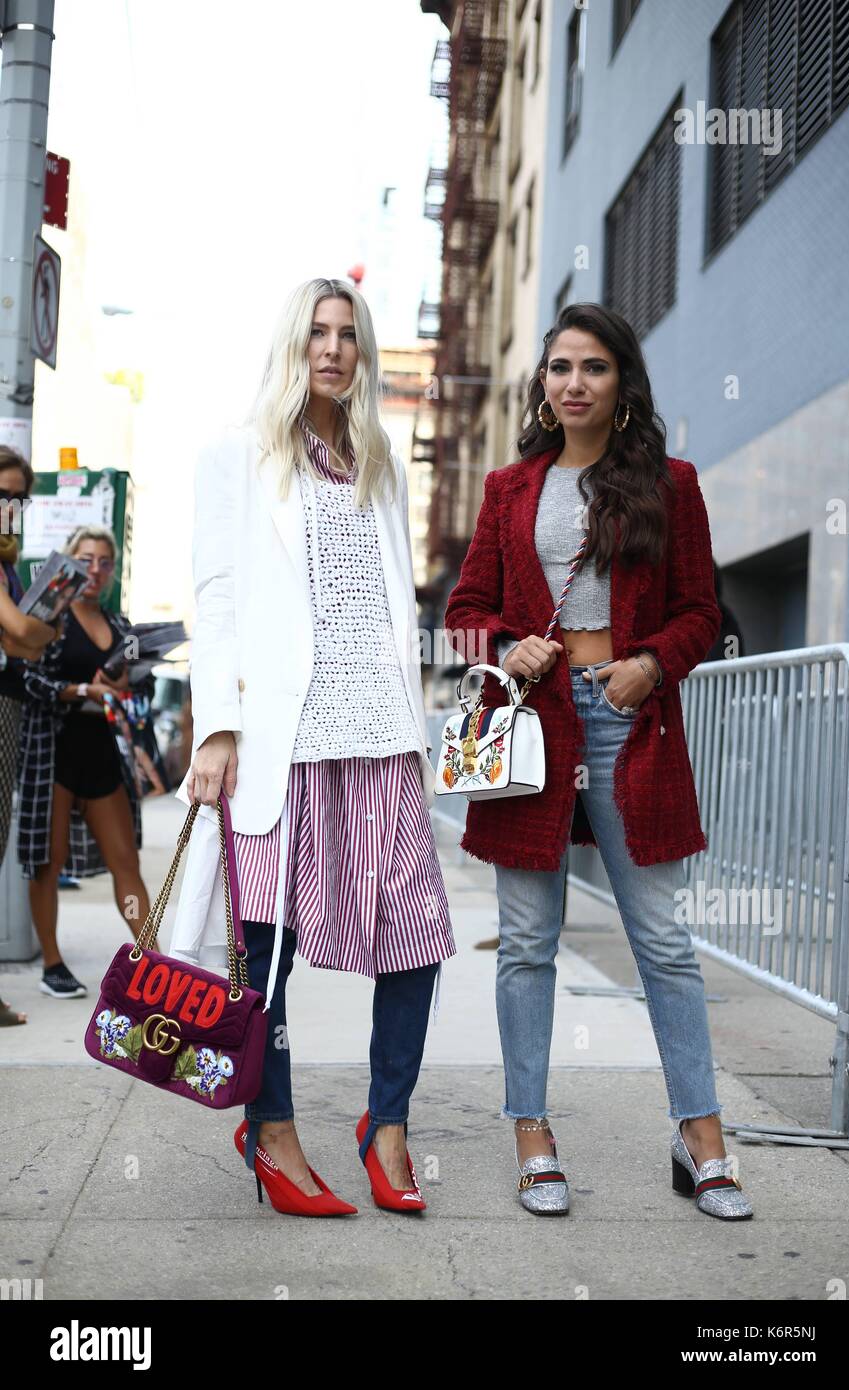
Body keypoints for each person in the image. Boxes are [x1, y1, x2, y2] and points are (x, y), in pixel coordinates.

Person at [444, 302, 753, 1221]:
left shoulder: (671, 483)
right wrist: (506, 644)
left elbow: (703, 611)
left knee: (661, 942)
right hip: (535, 727)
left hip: (629, 723)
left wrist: (652, 662)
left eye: (593, 367)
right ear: (542, 384)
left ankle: (699, 1135)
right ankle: (532, 1132)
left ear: (622, 384)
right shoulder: (509, 489)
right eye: (559, 367)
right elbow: (464, 610)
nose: (572, 382)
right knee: (528, 945)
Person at [171, 277, 456, 1217]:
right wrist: (216, 727)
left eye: (348, 336)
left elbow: (389, 604)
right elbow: (215, 598)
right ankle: (275, 1128)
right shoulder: (236, 459)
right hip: (282, 740)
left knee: (414, 931)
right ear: (294, 347)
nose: (332, 350)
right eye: (317, 334)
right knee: (264, 951)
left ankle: (388, 1122)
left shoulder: (381, 465)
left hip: (380, 733)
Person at [16, 524, 153, 998]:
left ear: (113, 570)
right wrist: (79, 690)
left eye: (104, 562)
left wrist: (128, 684)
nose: (95, 570)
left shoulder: (120, 626)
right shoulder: (48, 618)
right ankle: (52, 963)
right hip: (52, 752)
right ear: (69, 564)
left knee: (126, 863)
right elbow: (25, 678)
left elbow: (144, 684)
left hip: (100, 750)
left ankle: (151, 957)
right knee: (47, 864)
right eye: (86, 560)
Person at [0, 445, 57, 1026]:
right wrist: (41, 630)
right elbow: (20, 634)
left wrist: (33, 634)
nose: (10, 506)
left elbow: (22, 640)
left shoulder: (8, 562)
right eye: (1, 495)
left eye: (18, 497)